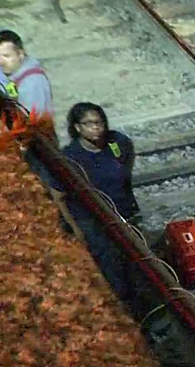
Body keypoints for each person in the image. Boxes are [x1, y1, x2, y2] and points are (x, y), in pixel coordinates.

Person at [57, 103, 139, 306]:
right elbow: (59, 195)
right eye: (89, 123)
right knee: (109, 264)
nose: (96, 127)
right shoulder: (71, 157)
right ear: (78, 127)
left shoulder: (117, 142)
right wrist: (75, 228)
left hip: (122, 212)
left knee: (132, 261)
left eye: (99, 122)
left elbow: (127, 160)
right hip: (93, 221)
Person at [0, 30, 53, 121]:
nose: (1, 62)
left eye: (6, 56)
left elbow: (30, 122)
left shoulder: (32, 83)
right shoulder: (11, 71)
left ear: (21, 54)